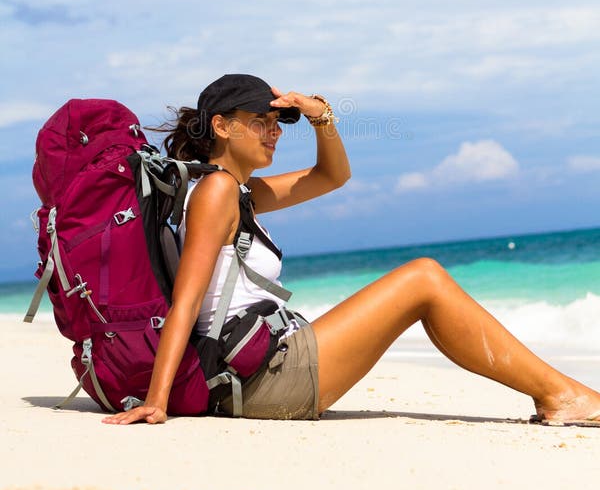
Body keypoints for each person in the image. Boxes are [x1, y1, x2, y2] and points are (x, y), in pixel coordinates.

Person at [103, 74, 600, 426]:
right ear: (221, 126)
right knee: (424, 278)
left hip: (261, 368)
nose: (274, 131)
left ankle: (558, 393)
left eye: (279, 122)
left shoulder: (235, 190)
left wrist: (321, 118)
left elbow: (331, 176)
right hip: (264, 379)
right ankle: (560, 395)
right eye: (260, 121)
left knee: (424, 281)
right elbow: (188, 300)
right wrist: (158, 400)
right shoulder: (215, 191)